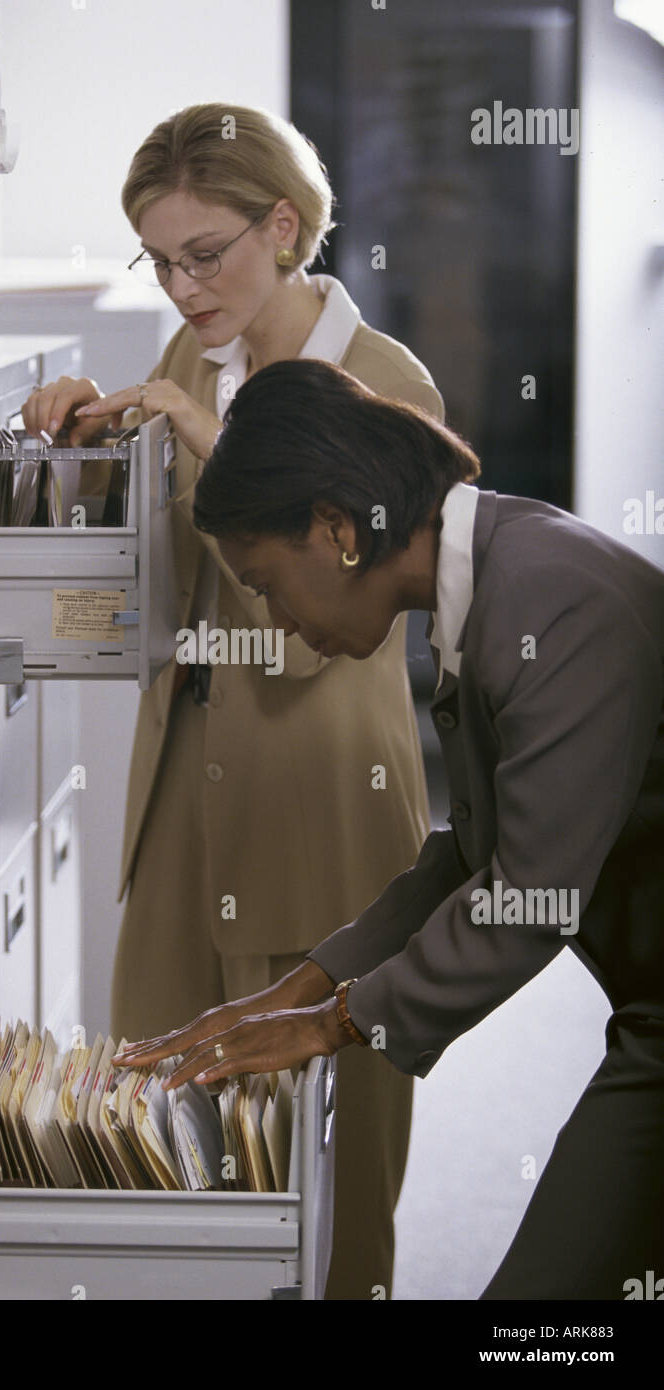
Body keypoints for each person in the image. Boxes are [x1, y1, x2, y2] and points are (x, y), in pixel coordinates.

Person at [114, 358, 664, 1301]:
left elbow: (527, 897)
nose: (280, 623)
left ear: (336, 532)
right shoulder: (492, 575)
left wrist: (337, 1023)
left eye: (270, 584)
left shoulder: (549, 601)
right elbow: (472, 851)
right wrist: (303, 983)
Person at [22, 103, 443, 1299]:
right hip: (179, 814)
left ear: (285, 226)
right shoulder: (181, 360)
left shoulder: (384, 381)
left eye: (203, 255)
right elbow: (156, 591)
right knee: (158, 1147)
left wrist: (207, 436)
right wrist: (82, 462)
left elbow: (325, 633)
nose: (179, 285)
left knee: (329, 1184)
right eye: (157, 260)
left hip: (321, 815)